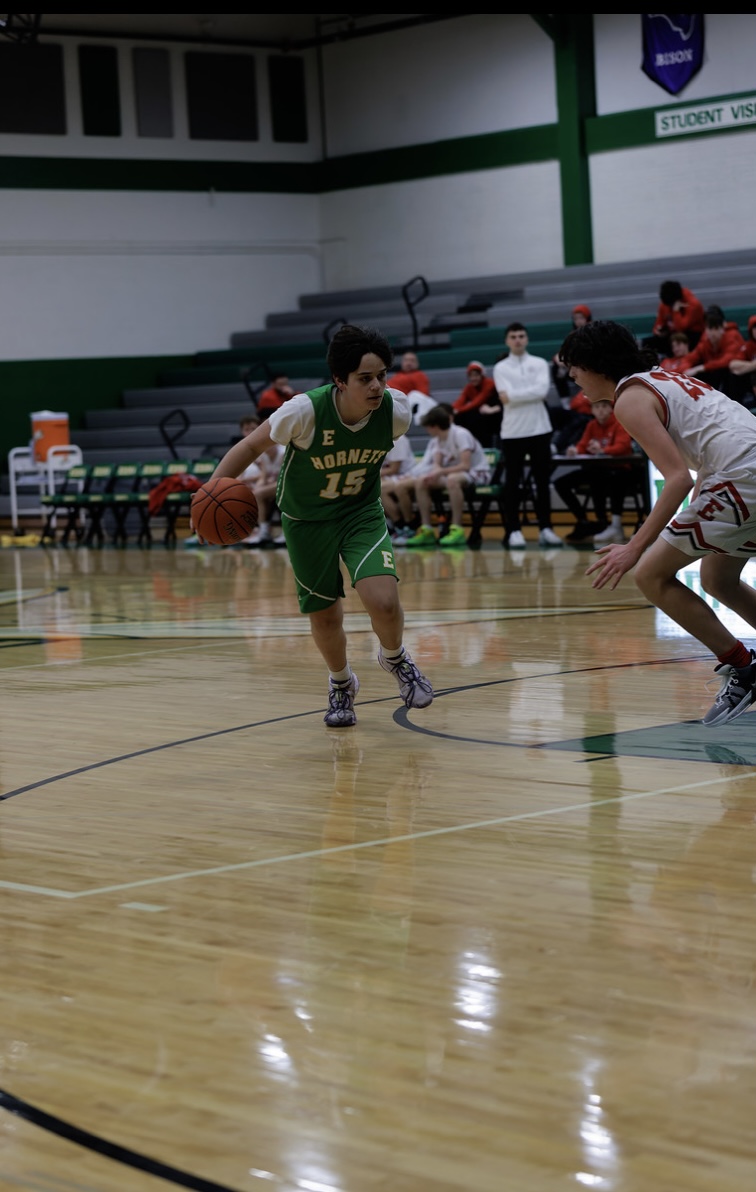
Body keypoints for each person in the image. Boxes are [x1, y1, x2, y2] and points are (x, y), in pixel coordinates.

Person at [207, 323, 434, 728]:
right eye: (365, 379)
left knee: (383, 601)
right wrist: (211, 492)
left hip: (360, 512)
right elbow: (250, 446)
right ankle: (342, 682)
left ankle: (396, 658)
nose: (377, 386)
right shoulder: (303, 411)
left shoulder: (396, 412)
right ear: (339, 381)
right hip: (307, 520)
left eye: (382, 375)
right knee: (326, 616)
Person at [558, 318, 756, 726]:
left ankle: (746, 669)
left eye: (574, 367)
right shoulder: (661, 378)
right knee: (718, 579)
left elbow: (677, 479)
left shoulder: (629, 399)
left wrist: (634, 548)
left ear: (595, 363)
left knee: (649, 575)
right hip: (743, 469)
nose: (573, 378)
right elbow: (707, 454)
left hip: (742, 475)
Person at [480, 321, 563, 548]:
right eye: (514, 336)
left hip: (540, 429)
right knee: (512, 484)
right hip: (512, 432)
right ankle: (514, 530)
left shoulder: (539, 363)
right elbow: (505, 396)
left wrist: (515, 395)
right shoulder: (501, 368)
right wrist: (529, 394)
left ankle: (546, 528)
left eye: (521, 336)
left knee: (542, 482)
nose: (518, 339)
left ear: (526, 339)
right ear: (507, 340)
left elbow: (541, 391)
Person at [397, 404, 491, 548]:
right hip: (454, 473)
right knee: (422, 481)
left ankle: (457, 528)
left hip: (478, 473)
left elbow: (465, 465)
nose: (427, 430)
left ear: (434, 426)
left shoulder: (461, 434)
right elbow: (437, 464)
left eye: (428, 427)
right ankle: (427, 529)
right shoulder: (438, 440)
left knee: (453, 480)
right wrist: (433, 474)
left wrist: (439, 472)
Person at [553, 397, 634, 544]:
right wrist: (574, 450)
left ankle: (610, 524)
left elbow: (623, 446)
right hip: (598, 470)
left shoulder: (619, 423)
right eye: (597, 407)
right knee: (560, 483)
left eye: (604, 406)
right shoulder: (591, 425)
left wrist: (603, 450)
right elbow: (583, 445)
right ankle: (583, 519)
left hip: (618, 470)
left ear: (611, 409)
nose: (601, 410)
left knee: (600, 479)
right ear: (592, 410)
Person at [678, 304, 745, 396]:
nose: (712, 333)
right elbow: (691, 357)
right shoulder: (705, 340)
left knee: (725, 372)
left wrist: (702, 368)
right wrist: (685, 369)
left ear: (722, 327)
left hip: (736, 376)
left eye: (716, 328)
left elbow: (727, 360)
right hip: (715, 374)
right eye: (710, 328)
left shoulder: (732, 336)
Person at [643, 279, 706, 359]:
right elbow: (658, 323)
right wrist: (658, 331)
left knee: (678, 340)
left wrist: (676, 311)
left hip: (691, 336)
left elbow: (682, 327)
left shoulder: (694, 305)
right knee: (647, 343)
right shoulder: (665, 302)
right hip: (672, 334)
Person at [451, 360, 500, 447]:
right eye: (471, 376)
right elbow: (460, 401)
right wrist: (451, 411)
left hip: (494, 416)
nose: (474, 378)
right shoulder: (469, 387)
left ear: (481, 375)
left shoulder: (489, 383)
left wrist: (458, 410)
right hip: (480, 415)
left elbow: (478, 401)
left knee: (475, 418)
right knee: (459, 418)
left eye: (476, 375)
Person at [380, 433, 418, 541]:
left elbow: (394, 469)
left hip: (406, 476)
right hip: (392, 477)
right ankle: (391, 525)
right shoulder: (381, 438)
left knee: (380, 488)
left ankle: (403, 525)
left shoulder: (399, 440)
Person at [551, 304, 592, 399]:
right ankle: (565, 401)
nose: (578, 321)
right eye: (576, 319)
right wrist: (558, 359)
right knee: (556, 368)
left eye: (581, 318)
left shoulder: (594, 333)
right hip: (575, 366)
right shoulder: (572, 335)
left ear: (587, 318)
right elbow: (563, 351)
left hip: (589, 367)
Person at [727, 313, 756, 406]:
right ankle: (736, 405)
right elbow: (733, 365)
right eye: (755, 328)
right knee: (735, 375)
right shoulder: (748, 346)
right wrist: (753, 365)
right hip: (751, 382)